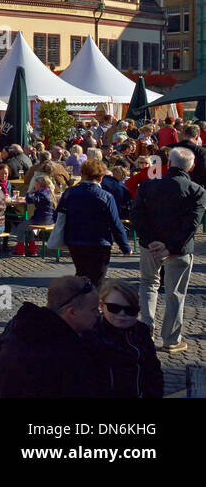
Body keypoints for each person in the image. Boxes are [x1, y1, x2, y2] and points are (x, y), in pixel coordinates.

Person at [130, 145, 206, 353]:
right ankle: (171, 339)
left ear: (169, 163)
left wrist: (151, 241)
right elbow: (192, 225)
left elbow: (137, 215)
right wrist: (170, 246)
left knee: (148, 285)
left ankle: (146, 332)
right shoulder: (197, 191)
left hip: (151, 246)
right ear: (190, 168)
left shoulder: (147, 185)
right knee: (175, 293)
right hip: (179, 249)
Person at [0, 276, 102, 397]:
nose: (98, 314)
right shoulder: (67, 350)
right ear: (72, 312)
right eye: (94, 309)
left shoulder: (18, 325)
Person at [57, 159, 130, 287]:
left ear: (82, 174)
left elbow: (57, 215)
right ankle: (91, 304)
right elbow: (115, 223)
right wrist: (125, 246)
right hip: (99, 242)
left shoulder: (69, 193)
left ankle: (80, 303)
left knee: (81, 275)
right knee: (96, 280)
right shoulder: (106, 196)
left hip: (75, 241)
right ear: (101, 178)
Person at [85, 279, 163, 398]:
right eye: (114, 308)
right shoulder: (91, 332)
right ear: (101, 306)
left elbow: (153, 371)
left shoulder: (141, 331)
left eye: (130, 310)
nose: (122, 314)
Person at [11, 173, 56, 255]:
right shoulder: (49, 192)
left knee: (21, 228)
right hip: (50, 220)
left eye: (35, 184)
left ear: (39, 184)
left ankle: (20, 250)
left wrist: (30, 192)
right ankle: (32, 249)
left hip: (40, 220)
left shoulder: (41, 193)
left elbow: (30, 200)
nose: (34, 186)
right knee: (29, 228)